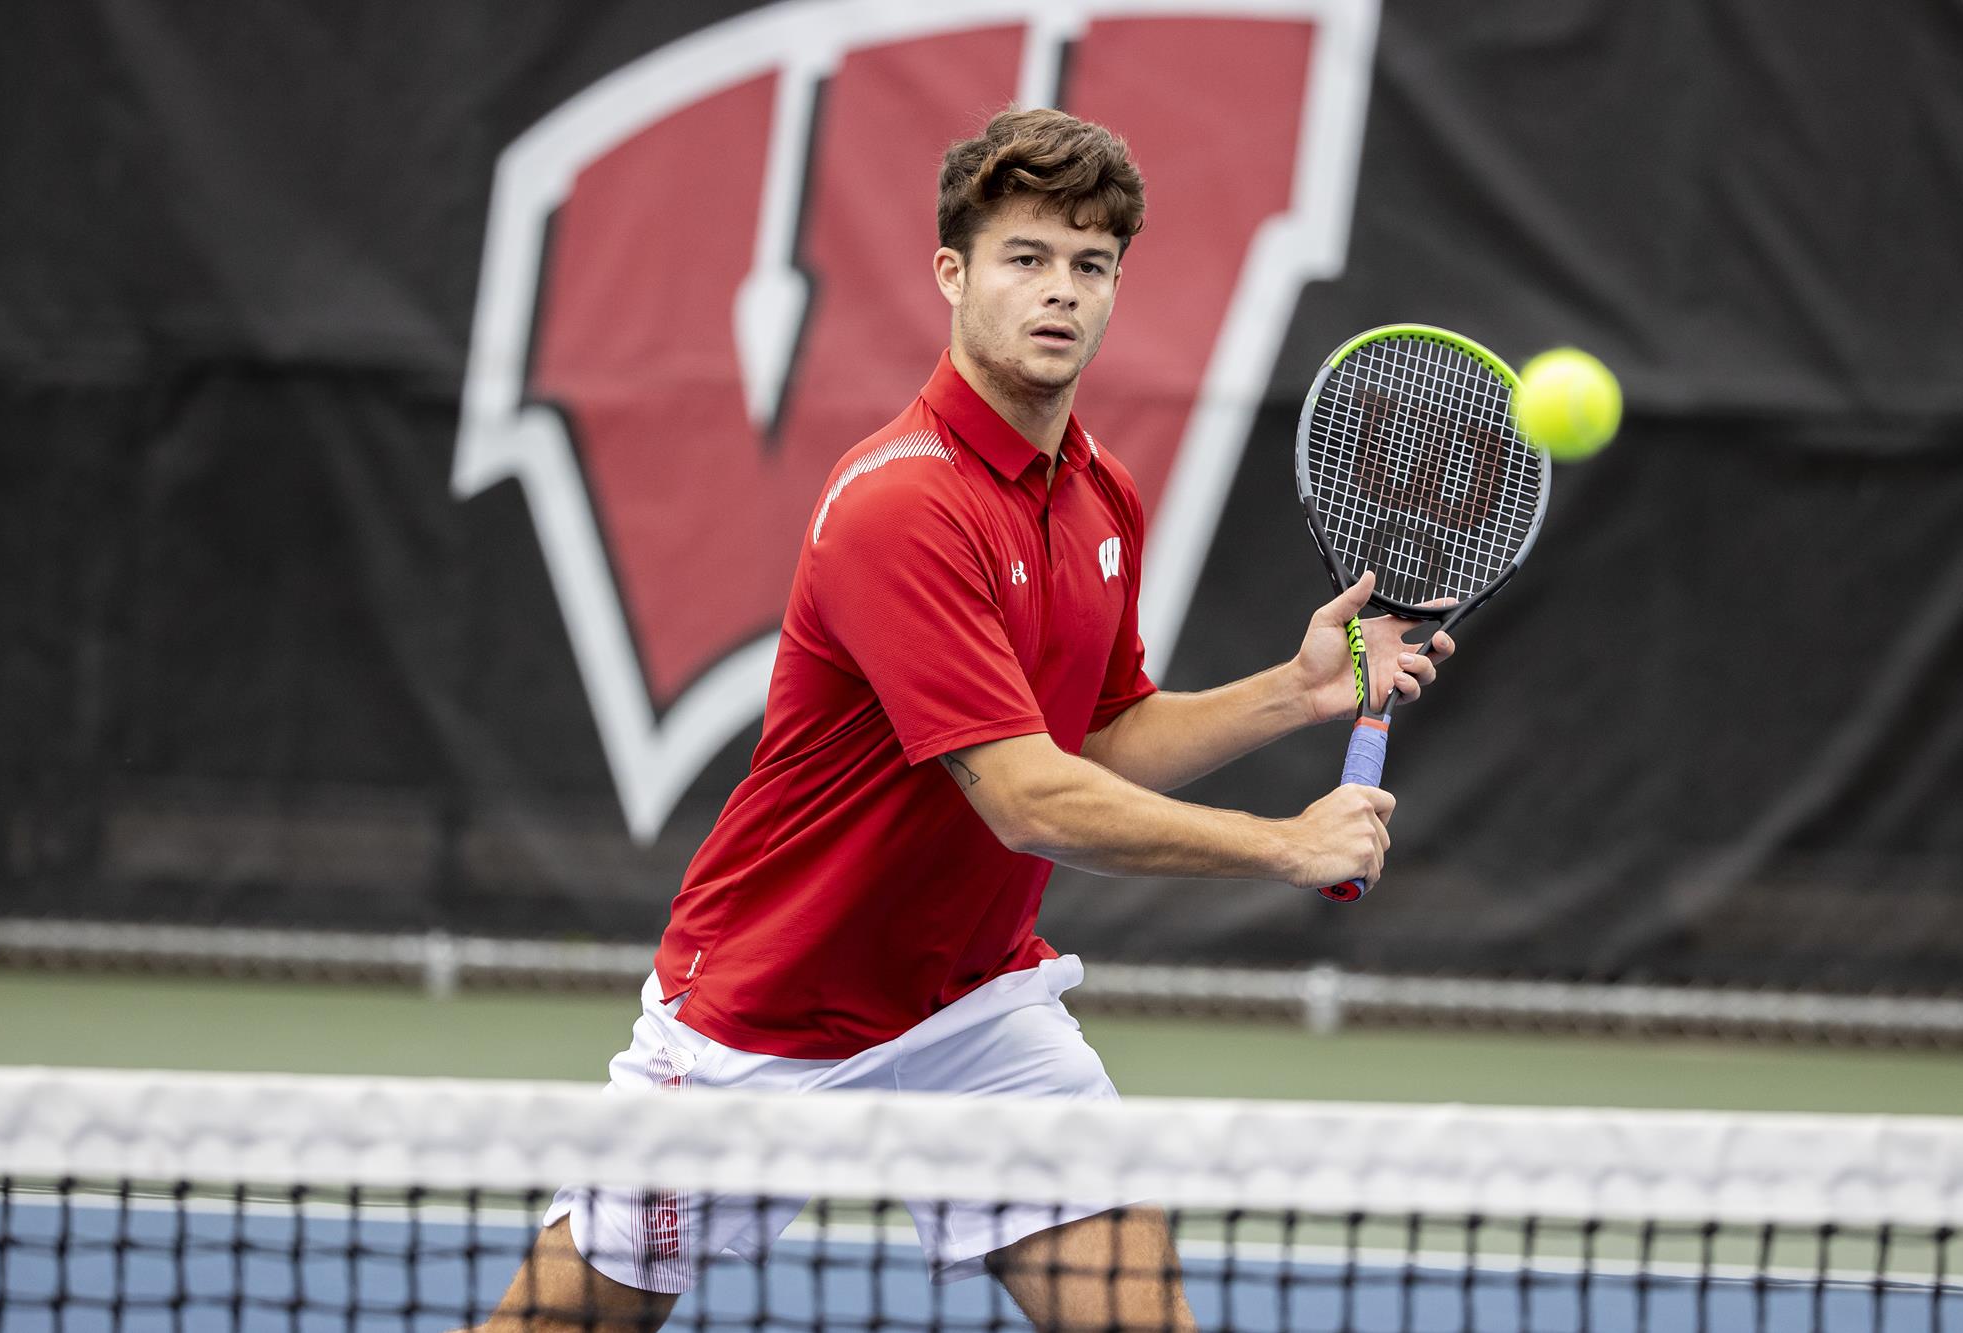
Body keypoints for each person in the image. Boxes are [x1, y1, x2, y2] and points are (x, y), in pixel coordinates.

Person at [463, 106, 1452, 1333]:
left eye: (1090, 267)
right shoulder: (901, 507)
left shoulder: (1099, 494)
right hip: (766, 1012)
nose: (1061, 293)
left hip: (972, 1011)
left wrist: (1294, 693)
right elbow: (1028, 798)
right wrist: (1283, 844)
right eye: (1024, 258)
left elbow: (1097, 737)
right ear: (952, 274)